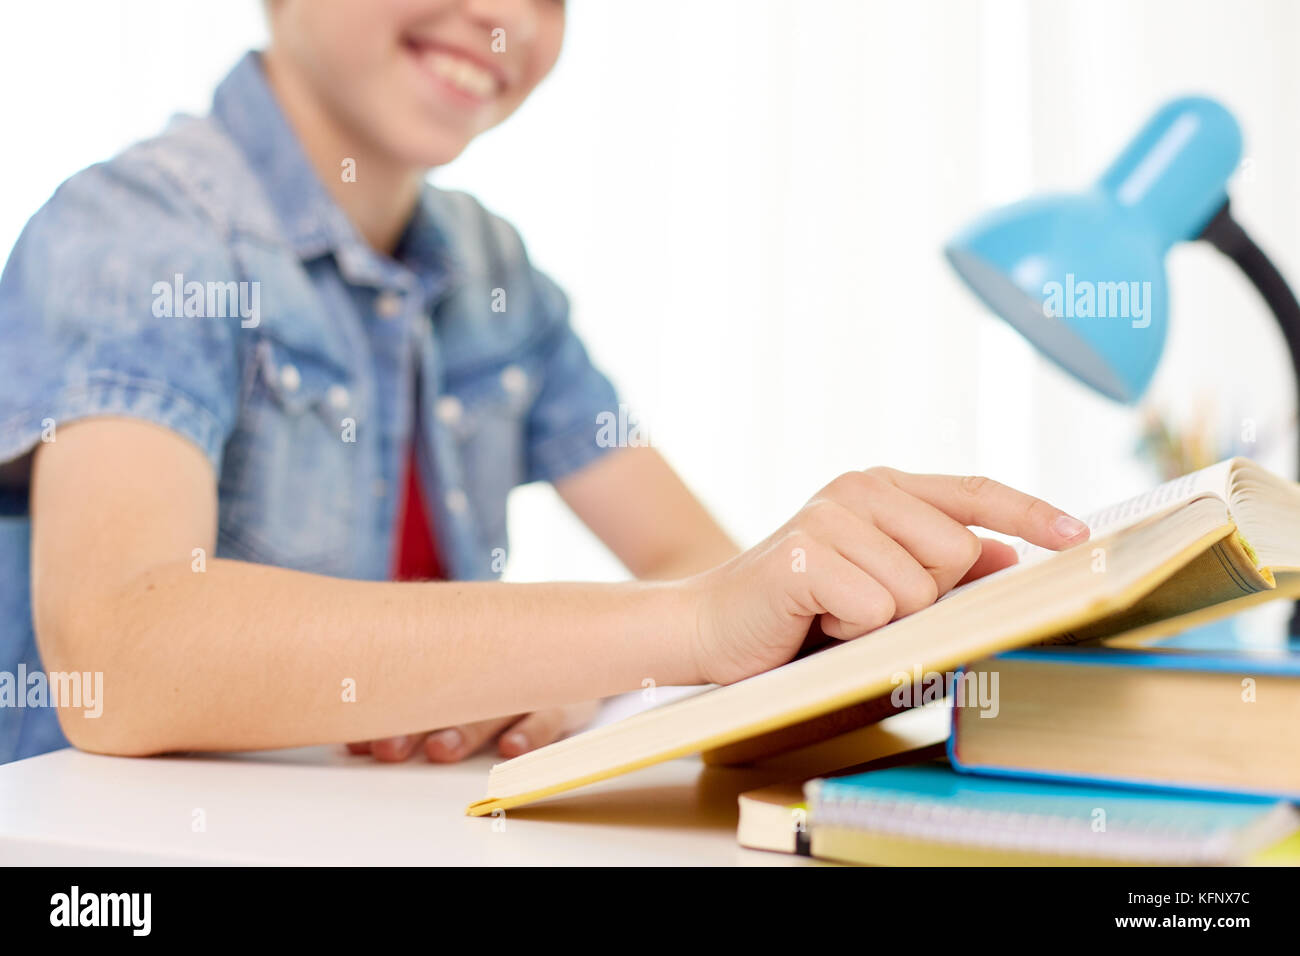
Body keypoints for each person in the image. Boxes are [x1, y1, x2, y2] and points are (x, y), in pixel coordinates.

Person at [0, 0, 1088, 765]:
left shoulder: (490, 270)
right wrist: (670, 626)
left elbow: (694, 560)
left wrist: (574, 670)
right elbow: (123, 648)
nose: (505, 16)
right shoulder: (138, 228)